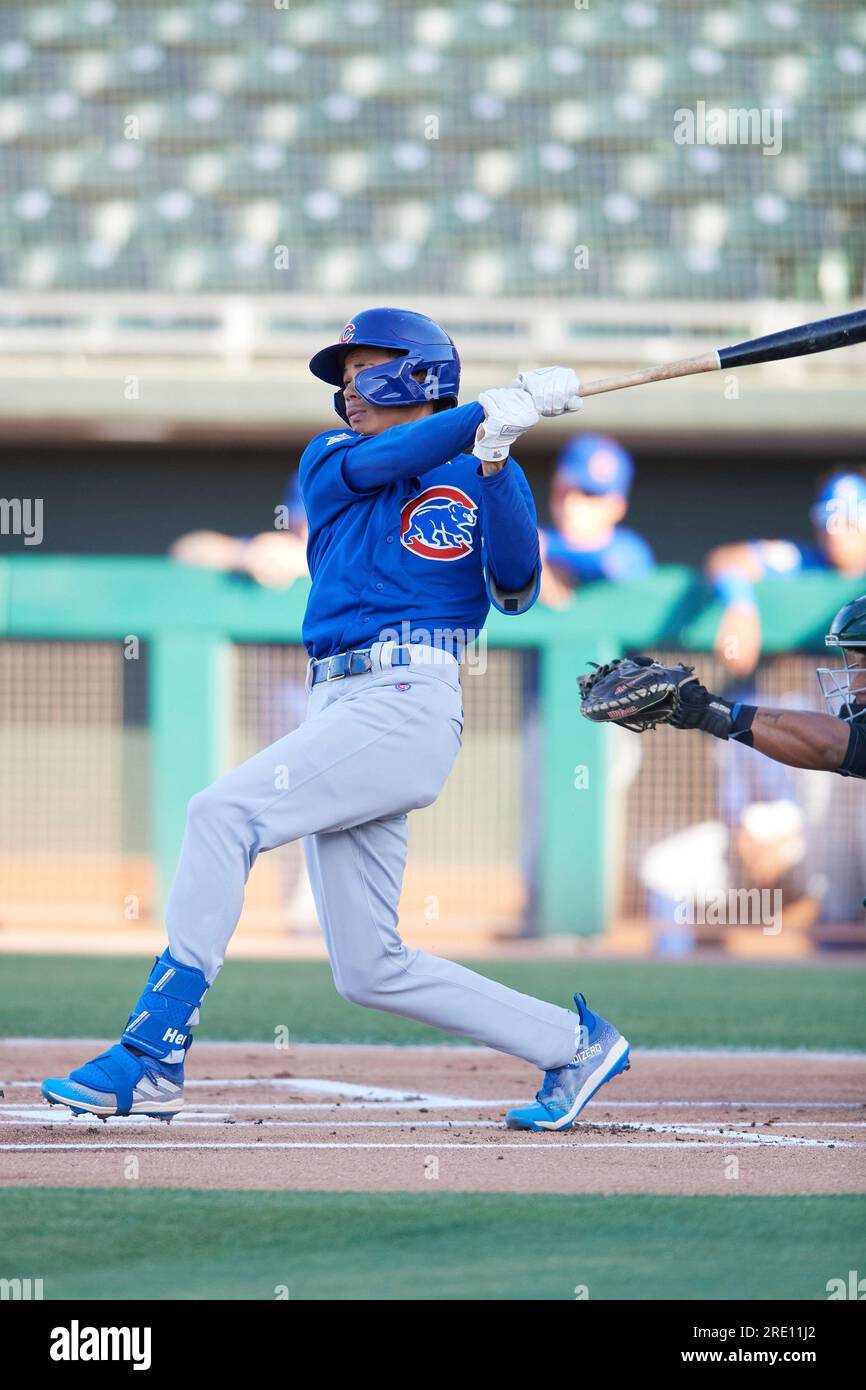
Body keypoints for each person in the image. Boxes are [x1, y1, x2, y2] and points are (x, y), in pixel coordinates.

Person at [42, 308, 630, 1135]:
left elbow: (517, 585)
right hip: (342, 699)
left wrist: (497, 456)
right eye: (345, 376)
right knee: (369, 967)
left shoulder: (477, 467)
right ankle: (575, 1044)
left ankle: (151, 1054)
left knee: (221, 813)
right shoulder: (333, 460)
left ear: (416, 372)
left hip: (409, 698)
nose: (348, 389)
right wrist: (484, 414)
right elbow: (395, 455)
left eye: (365, 369)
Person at [706, 470, 866, 676]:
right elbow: (727, 559)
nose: (836, 533)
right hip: (815, 693)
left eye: (850, 522)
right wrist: (740, 605)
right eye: (828, 520)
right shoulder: (805, 560)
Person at [538, 434, 654, 608]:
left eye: (589, 494)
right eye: (565, 491)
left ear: (617, 506)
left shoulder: (628, 548)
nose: (571, 504)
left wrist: (536, 560)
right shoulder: (538, 538)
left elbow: (608, 568)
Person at [169, 472, 309, 591]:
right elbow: (186, 549)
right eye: (302, 521)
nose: (306, 531)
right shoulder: (278, 552)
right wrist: (246, 554)